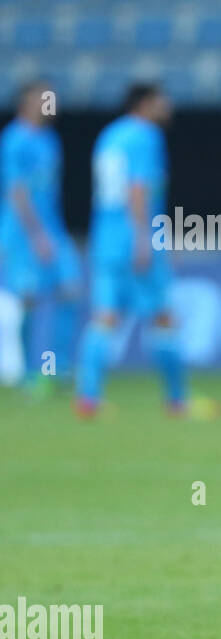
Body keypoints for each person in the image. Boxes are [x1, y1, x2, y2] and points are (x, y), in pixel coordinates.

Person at [76, 83, 214, 420]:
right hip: (135, 239)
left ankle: (88, 398)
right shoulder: (145, 136)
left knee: (105, 316)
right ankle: (177, 400)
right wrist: (147, 238)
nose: (168, 106)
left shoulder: (110, 135)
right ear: (145, 104)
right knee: (163, 316)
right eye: (162, 100)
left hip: (106, 237)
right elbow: (138, 187)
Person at [0, 79, 80, 399]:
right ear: (26, 102)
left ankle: (57, 367)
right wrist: (36, 236)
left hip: (53, 229)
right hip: (24, 233)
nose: (51, 102)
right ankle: (29, 373)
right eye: (44, 98)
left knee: (71, 290)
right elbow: (16, 192)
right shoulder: (14, 139)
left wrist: (51, 233)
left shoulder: (49, 139)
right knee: (29, 299)